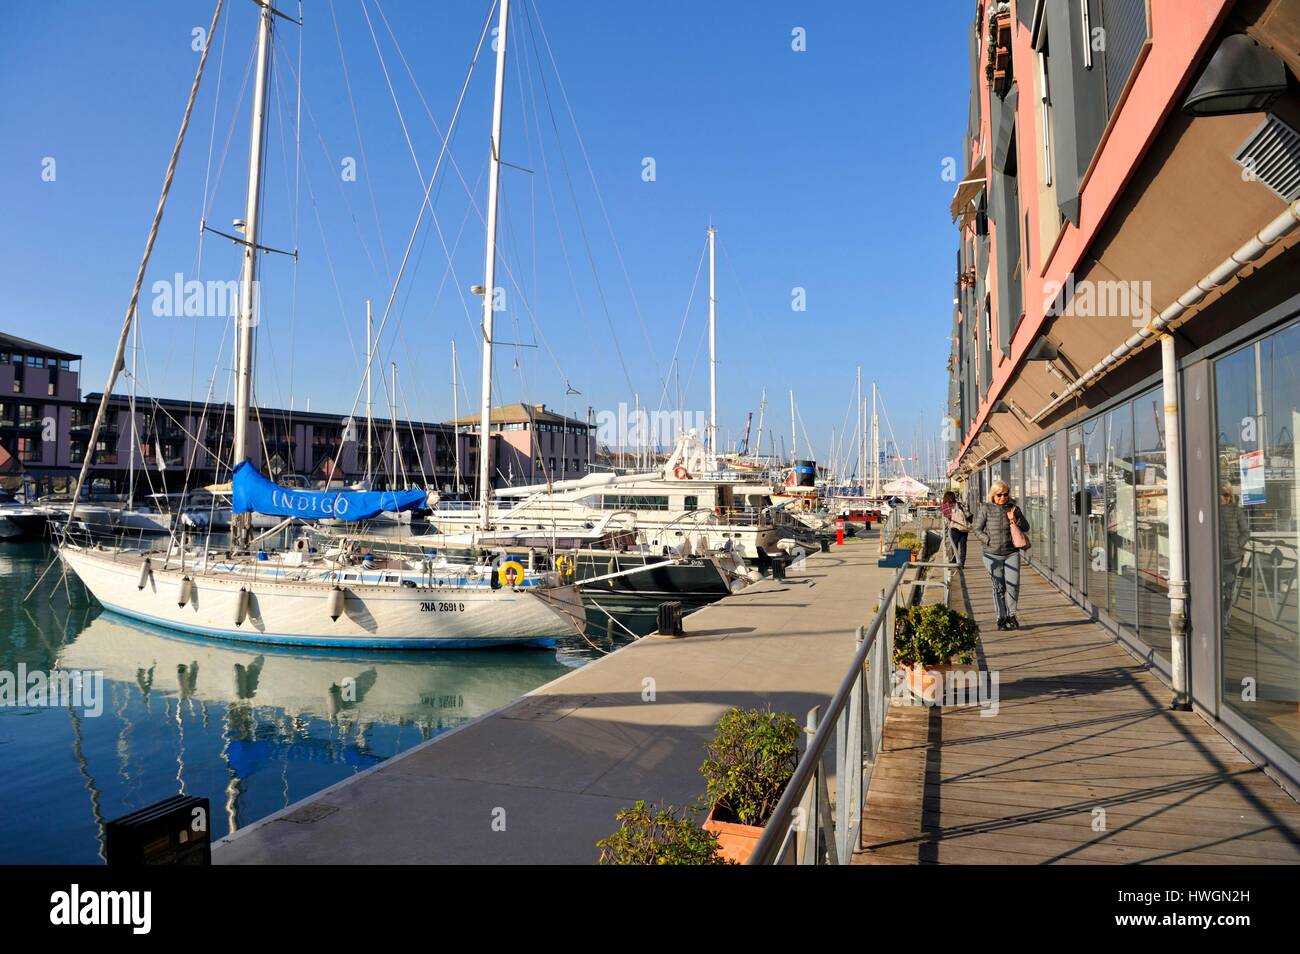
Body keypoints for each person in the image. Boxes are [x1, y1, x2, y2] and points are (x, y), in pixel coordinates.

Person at [971, 480, 1030, 630]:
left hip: (1011, 553)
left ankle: (1011, 615)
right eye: (999, 495)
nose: (1003, 497)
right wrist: (987, 540)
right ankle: (1001, 618)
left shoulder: (1013, 508)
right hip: (992, 554)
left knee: (1013, 586)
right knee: (998, 587)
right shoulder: (986, 508)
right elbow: (977, 529)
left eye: (1005, 494)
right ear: (993, 495)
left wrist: (1014, 518)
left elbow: (1026, 527)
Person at [940, 490, 971, 566]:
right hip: (964, 527)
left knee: (954, 545)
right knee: (963, 546)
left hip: (955, 528)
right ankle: (962, 563)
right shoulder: (959, 504)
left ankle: (955, 562)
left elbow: (947, 516)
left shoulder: (945, 505)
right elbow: (967, 514)